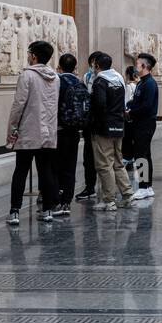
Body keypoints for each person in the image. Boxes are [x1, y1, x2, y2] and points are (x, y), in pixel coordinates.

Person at [5, 41, 60, 225]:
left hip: (29, 131)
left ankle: (14, 211)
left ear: (34, 56)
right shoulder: (56, 78)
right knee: (46, 171)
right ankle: (47, 210)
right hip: (48, 133)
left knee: (21, 171)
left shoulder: (27, 76)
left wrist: (12, 129)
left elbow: (18, 105)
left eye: (29, 53)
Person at [89, 51, 133, 211]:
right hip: (119, 126)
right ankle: (127, 195)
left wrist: (94, 123)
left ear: (97, 65)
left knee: (104, 164)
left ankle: (109, 200)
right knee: (118, 162)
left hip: (104, 128)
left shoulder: (100, 81)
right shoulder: (119, 79)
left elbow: (99, 105)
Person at [54, 53, 90, 215]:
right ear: (75, 68)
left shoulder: (57, 82)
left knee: (55, 167)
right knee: (69, 167)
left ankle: (56, 199)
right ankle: (66, 202)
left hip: (59, 131)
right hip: (75, 131)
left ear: (59, 67)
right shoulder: (80, 83)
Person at [123, 52, 159, 200]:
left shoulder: (149, 83)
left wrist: (131, 112)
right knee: (145, 154)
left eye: (137, 64)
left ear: (144, 66)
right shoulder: (142, 82)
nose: (135, 66)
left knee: (140, 155)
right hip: (140, 123)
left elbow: (147, 106)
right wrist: (130, 106)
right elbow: (137, 101)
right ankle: (148, 186)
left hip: (145, 123)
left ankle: (143, 187)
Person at [73, 51, 100, 201]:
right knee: (88, 158)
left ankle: (111, 189)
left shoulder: (108, 79)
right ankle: (90, 187)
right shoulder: (87, 77)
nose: (93, 66)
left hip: (101, 125)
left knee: (105, 159)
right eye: (91, 63)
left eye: (95, 63)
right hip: (89, 124)